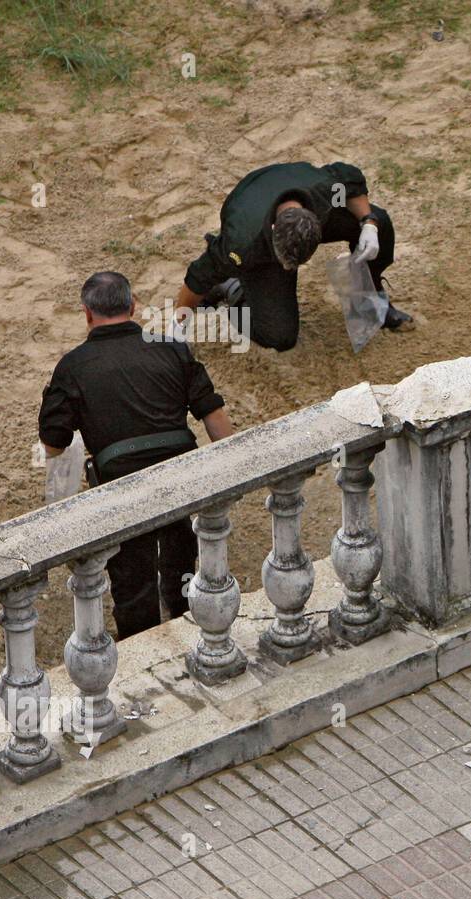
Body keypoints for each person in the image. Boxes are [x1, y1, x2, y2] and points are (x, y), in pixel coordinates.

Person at [38, 272, 235, 639]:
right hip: (180, 472)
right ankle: (189, 622)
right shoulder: (172, 348)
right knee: (181, 558)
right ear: (133, 306)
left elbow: (54, 446)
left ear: (87, 314)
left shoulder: (72, 367)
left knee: (131, 575)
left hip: (120, 482)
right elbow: (216, 420)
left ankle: (141, 643)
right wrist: (233, 473)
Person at [173, 160, 413, 351]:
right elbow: (198, 277)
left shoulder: (325, 193)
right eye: (287, 262)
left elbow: (352, 180)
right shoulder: (242, 243)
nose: (291, 270)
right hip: (253, 218)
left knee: (379, 220)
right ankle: (232, 287)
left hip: (299, 200)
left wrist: (368, 223)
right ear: (274, 230)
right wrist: (178, 328)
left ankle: (370, 301)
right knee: (279, 337)